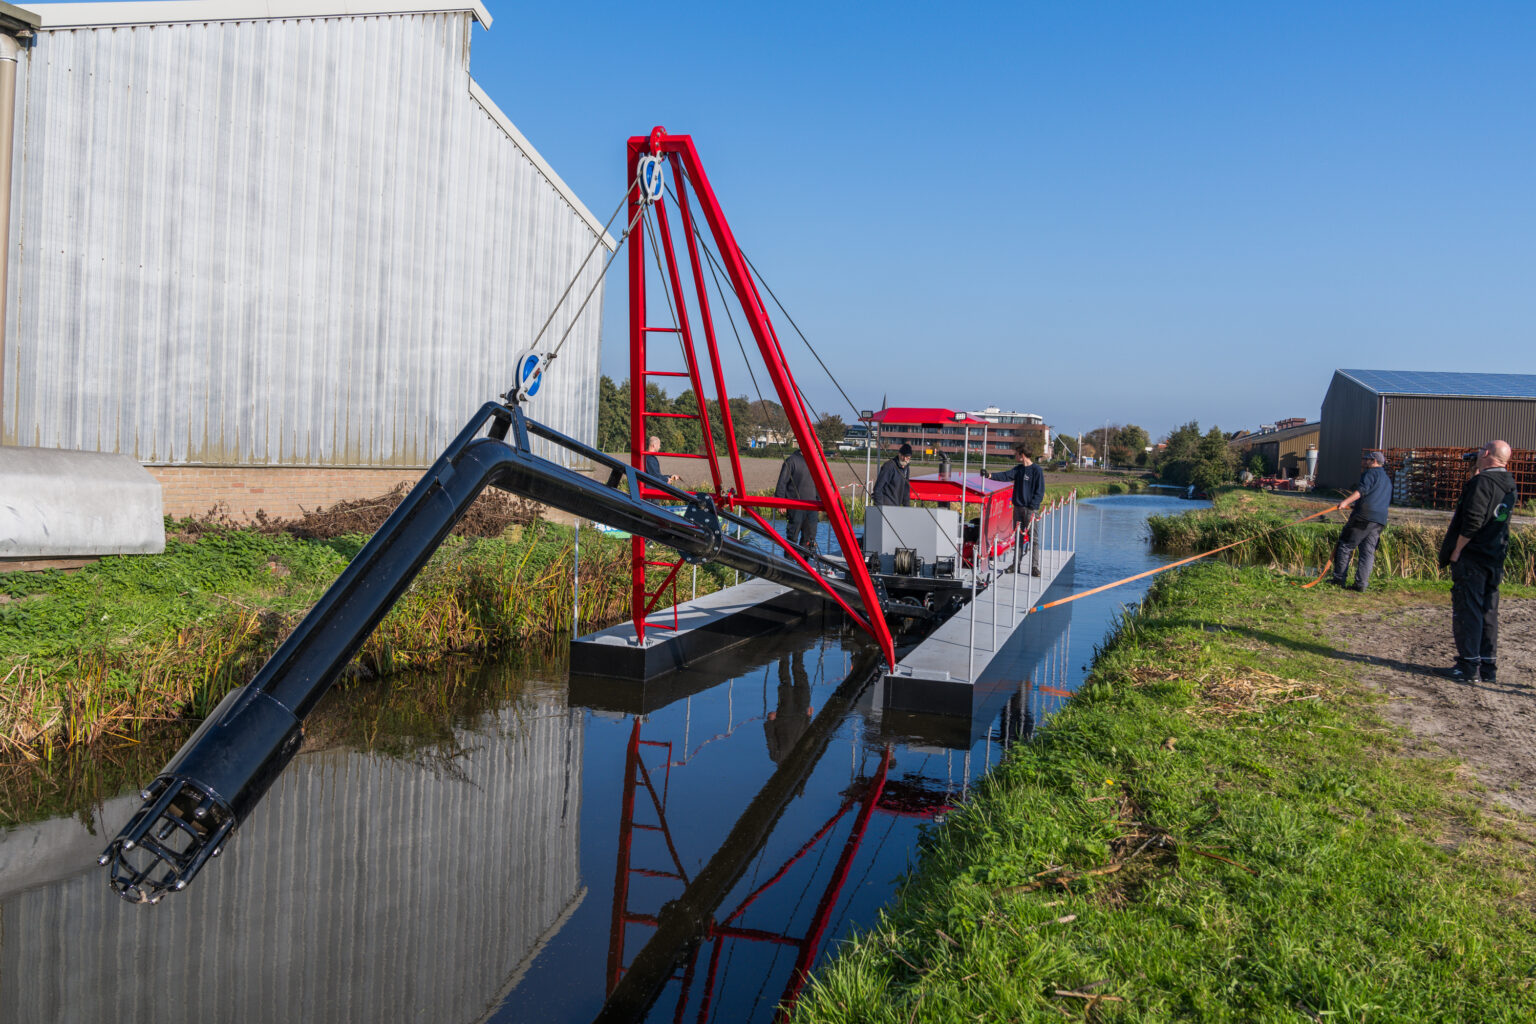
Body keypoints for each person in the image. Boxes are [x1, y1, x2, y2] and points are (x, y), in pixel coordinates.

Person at [1438, 440, 1518, 682]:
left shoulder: (1482, 483)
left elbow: (1473, 520)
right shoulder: (1508, 484)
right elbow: (1492, 509)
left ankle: (1467, 666)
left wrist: (1456, 551)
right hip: (1494, 555)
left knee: (1467, 608)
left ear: (1485, 453)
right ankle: (1487, 666)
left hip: (1473, 556)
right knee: (1487, 610)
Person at [1330, 450, 1391, 591]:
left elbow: (1361, 491)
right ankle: (1361, 585)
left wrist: (1345, 502)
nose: (1363, 461)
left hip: (1364, 517)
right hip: (1379, 520)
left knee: (1345, 546)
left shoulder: (1370, 473)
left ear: (1374, 461)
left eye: (1366, 459)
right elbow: (1376, 497)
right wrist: (1356, 504)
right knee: (1367, 552)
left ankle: (1339, 580)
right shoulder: (1387, 479)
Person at [982, 443, 1045, 575]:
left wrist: (1032, 507)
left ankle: (1034, 567)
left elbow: (1040, 491)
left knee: (1033, 538)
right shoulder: (1018, 469)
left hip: (1030, 510)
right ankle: (1016, 565)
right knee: (1018, 538)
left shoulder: (1036, 470)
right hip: (1017, 508)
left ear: (1022, 455)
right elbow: (1005, 476)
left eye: (1016, 454)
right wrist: (989, 476)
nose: (1014, 456)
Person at [774, 444, 818, 551]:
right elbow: (782, 482)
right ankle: (788, 564)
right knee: (792, 538)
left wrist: (820, 503)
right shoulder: (792, 460)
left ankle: (803, 566)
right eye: (815, 447)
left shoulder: (816, 462)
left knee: (809, 540)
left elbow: (819, 484)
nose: (817, 450)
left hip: (812, 506)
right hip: (795, 506)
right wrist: (781, 502)